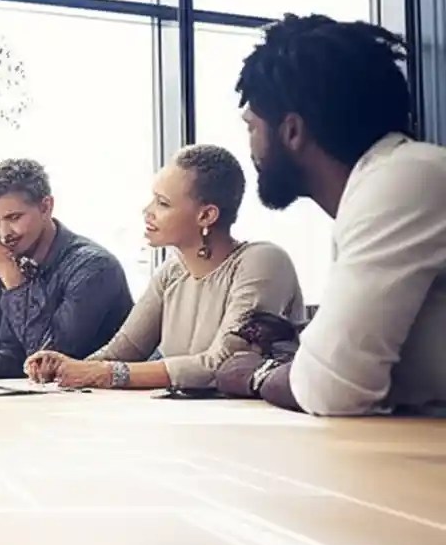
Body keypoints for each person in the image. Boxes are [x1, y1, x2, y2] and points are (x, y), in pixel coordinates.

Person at [214, 14, 446, 416]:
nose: (249, 147)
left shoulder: (403, 178)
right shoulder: (385, 189)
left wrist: (259, 374)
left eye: (252, 127)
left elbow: (332, 387)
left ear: (292, 132)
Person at [25, 144, 304, 390]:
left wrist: (103, 373)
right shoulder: (172, 271)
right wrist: (67, 368)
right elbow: (126, 349)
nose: (147, 211)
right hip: (189, 426)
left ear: (206, 215)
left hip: (263, 428)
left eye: (163, 203)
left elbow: (222, 363)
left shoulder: (264, 262)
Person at [0, 158, 132, 380]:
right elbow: (18, 356)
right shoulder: (14, 261)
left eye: (14, 218)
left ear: (46, 207)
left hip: (107, 404)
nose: (3, 234)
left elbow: (47, 359)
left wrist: (13, 280)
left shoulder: (94, 267)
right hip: (53, 403)